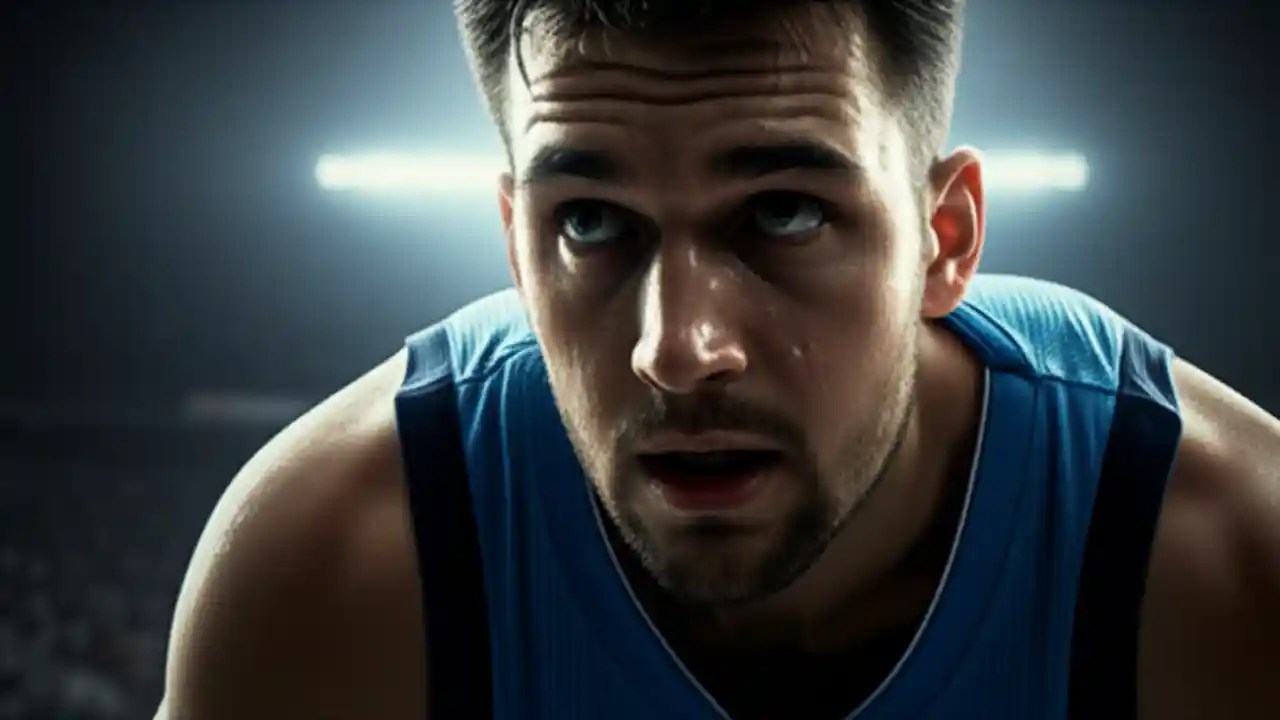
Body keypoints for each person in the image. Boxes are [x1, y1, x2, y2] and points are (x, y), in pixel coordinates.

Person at [155, 1, 1280, 718]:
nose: (676, 351)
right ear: (513, 242)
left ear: (946, 238)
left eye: (783, 213)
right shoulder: (333, 574)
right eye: (590, 223)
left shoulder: (1220, 559)